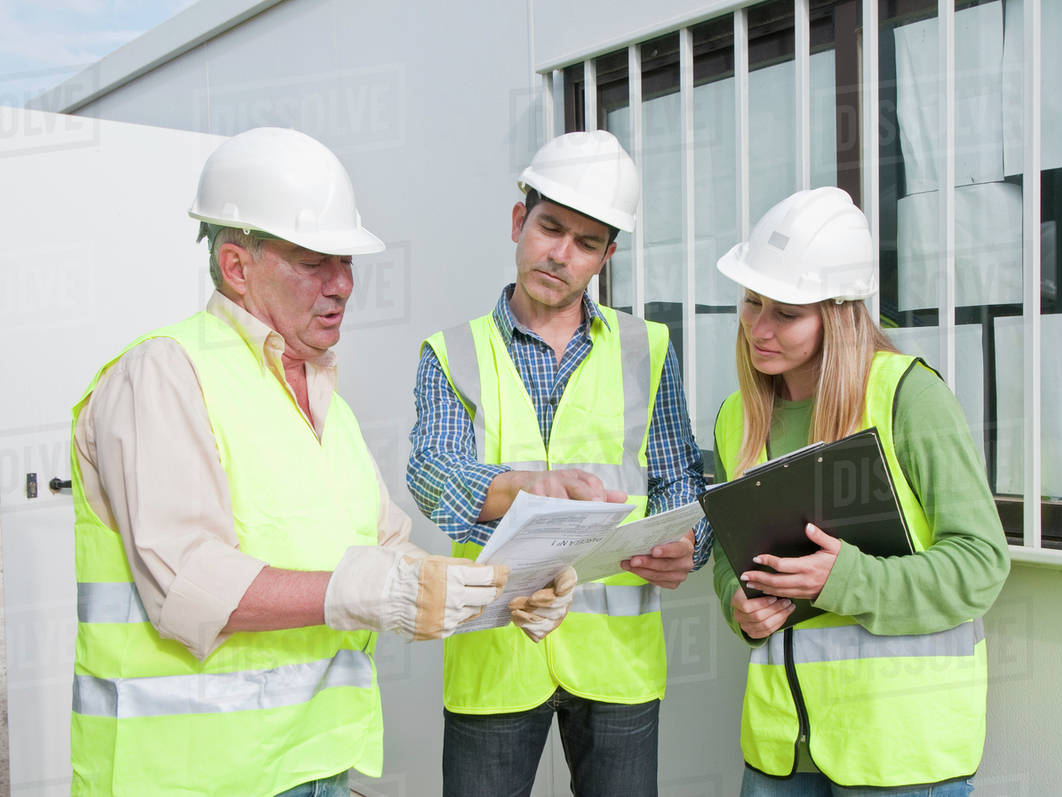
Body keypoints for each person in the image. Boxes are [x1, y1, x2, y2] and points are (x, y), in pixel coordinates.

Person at [67, 127, 523, 797]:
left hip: (317, 766)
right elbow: (189, 585)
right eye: (314, 260)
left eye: (346, 260)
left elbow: (389, 553)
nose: (343, 284)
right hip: (187, 777)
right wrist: (363, 590)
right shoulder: (164, 373)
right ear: (237, 266)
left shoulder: (322, 398)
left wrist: (507, 588)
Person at [406, 129, 710, 796]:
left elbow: (679, 476)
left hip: (616, 660)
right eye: (550, 227)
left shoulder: (647, 347)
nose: (561, 254)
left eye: (587, 241)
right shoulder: (452, 351)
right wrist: (522, 487)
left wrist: (692, 541)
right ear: (520, 221)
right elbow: (431, 472)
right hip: (497, 649)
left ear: (607, 254)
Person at [709, 187, 1011, 796]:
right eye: (750, 303)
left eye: (786, 313)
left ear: (839, 313)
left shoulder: (908, 397)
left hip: (897, 751)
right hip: (781, 751)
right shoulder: (735, 417)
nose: (758, 329)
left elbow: (982, 565)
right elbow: (727, 553)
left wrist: (845, 580)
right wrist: (737, 606)